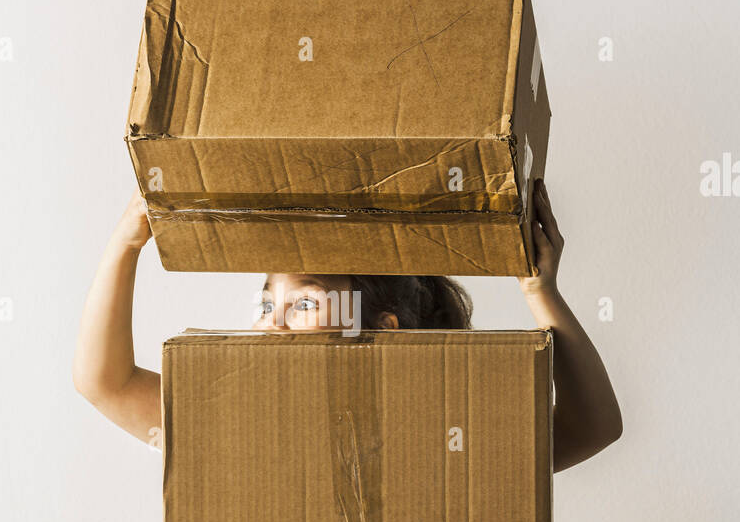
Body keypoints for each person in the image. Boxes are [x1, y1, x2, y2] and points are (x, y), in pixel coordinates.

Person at [73, 178, 622, 473]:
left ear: (379, 328)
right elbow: (105, 383)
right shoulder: (241, 427)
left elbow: (594, 427)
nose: (272, 325)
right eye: (266, 305)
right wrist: (126, 242)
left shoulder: (443, 439)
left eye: (303, 304)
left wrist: (540, 292)